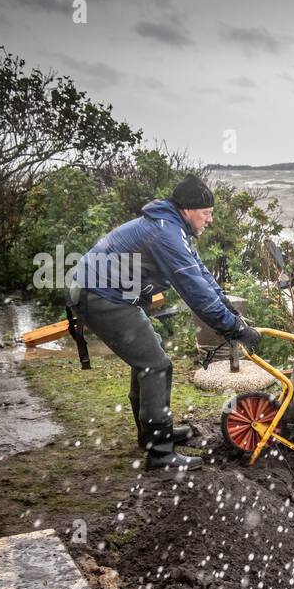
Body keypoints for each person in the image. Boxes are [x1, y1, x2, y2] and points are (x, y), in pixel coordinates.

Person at [67, 175, 262, 470]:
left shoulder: (172, 228)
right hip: (100, 295)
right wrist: (231, 328)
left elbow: (202, 275)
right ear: (187, 209)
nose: (210, 220)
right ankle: (160, 454)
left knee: (150, 357)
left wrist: (232, 315)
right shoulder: (166, 234)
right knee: (155, 365)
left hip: (111, 293)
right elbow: (193, 291)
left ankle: (152, 436)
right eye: (206, 213)